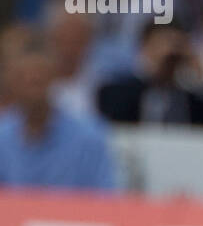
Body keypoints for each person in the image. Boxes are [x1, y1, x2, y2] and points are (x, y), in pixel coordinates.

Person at [0, 34, 119, 191]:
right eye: (23, 80)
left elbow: (107, 199)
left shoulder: (89, 137)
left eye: (37, 81)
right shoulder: (3, 136)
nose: (31, 91)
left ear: (53, 79)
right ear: (11, 83)